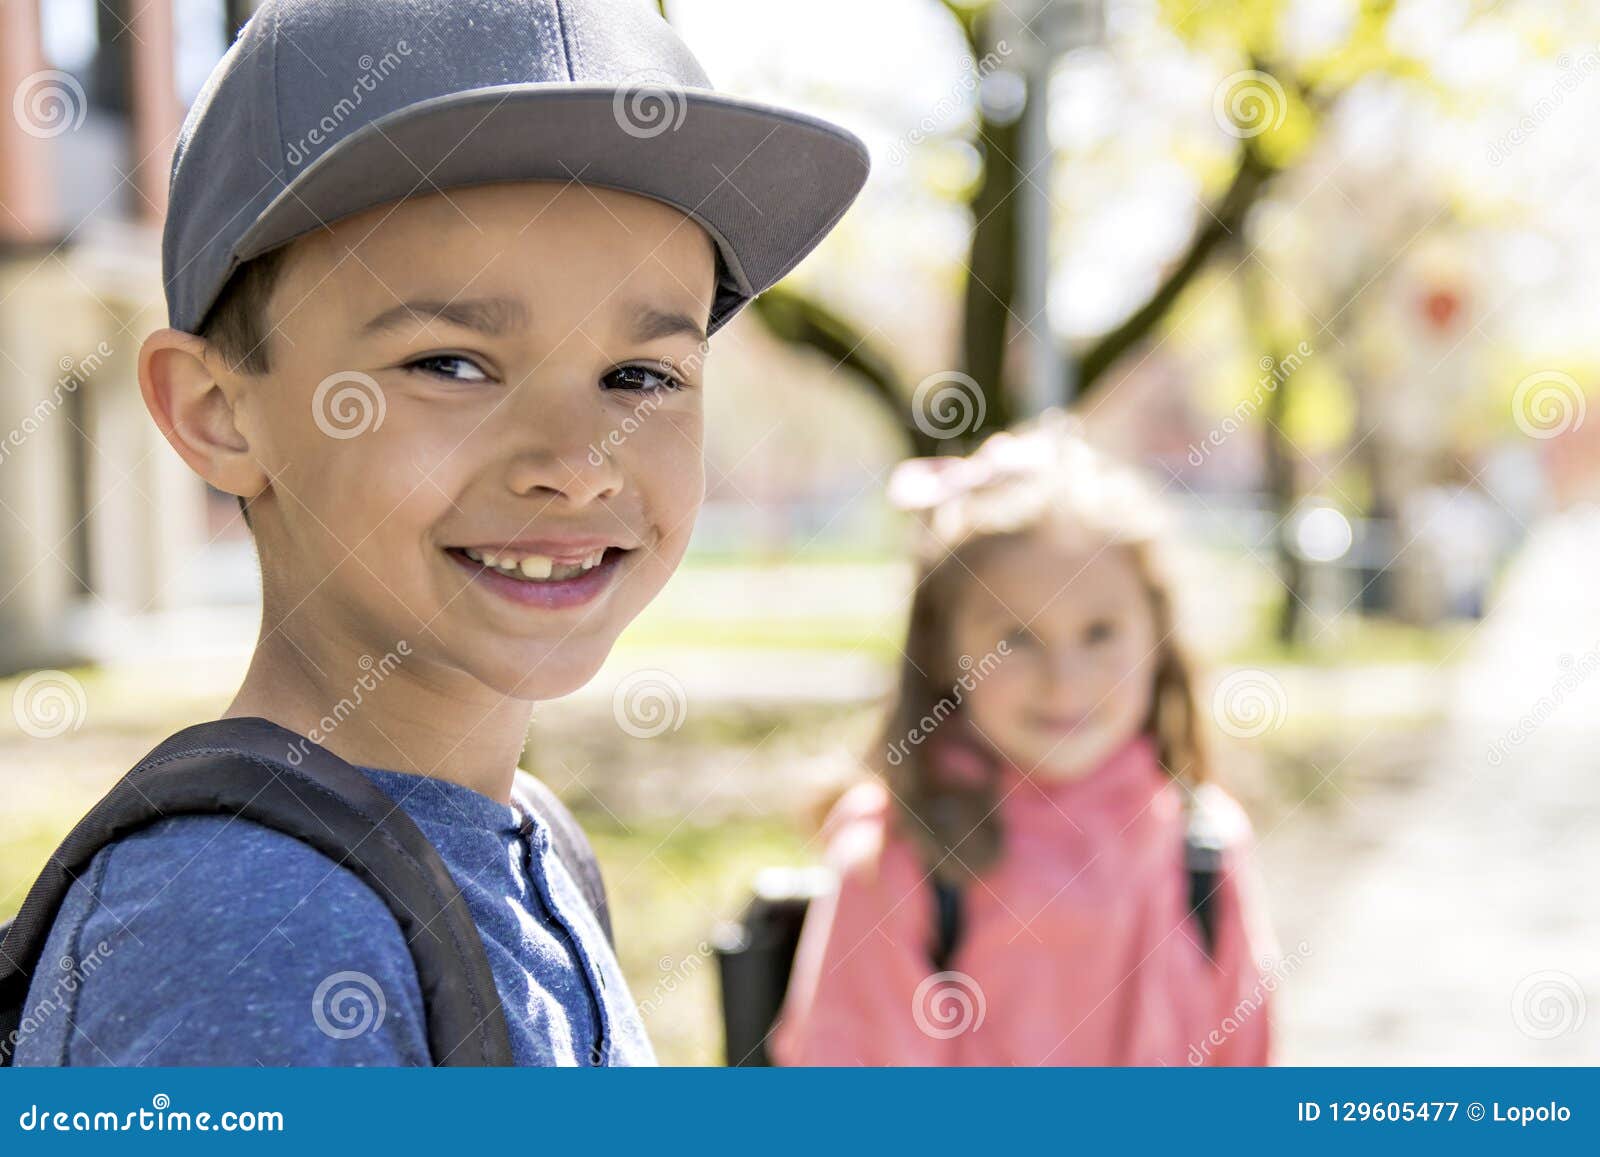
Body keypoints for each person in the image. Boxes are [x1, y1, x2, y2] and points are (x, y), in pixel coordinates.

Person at [11, 0, 867, 1066]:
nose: (573, 460)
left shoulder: (529, 842)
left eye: (639, 376)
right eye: (451, 363)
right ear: (216, 412)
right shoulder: (247, 927)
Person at [770, 411, 1277, 1065]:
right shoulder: (898, 854)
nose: (1063, 678)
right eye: (1015, 638)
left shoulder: (1204, 847)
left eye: (1099, 632)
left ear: (1157, 638)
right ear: (945, 650)